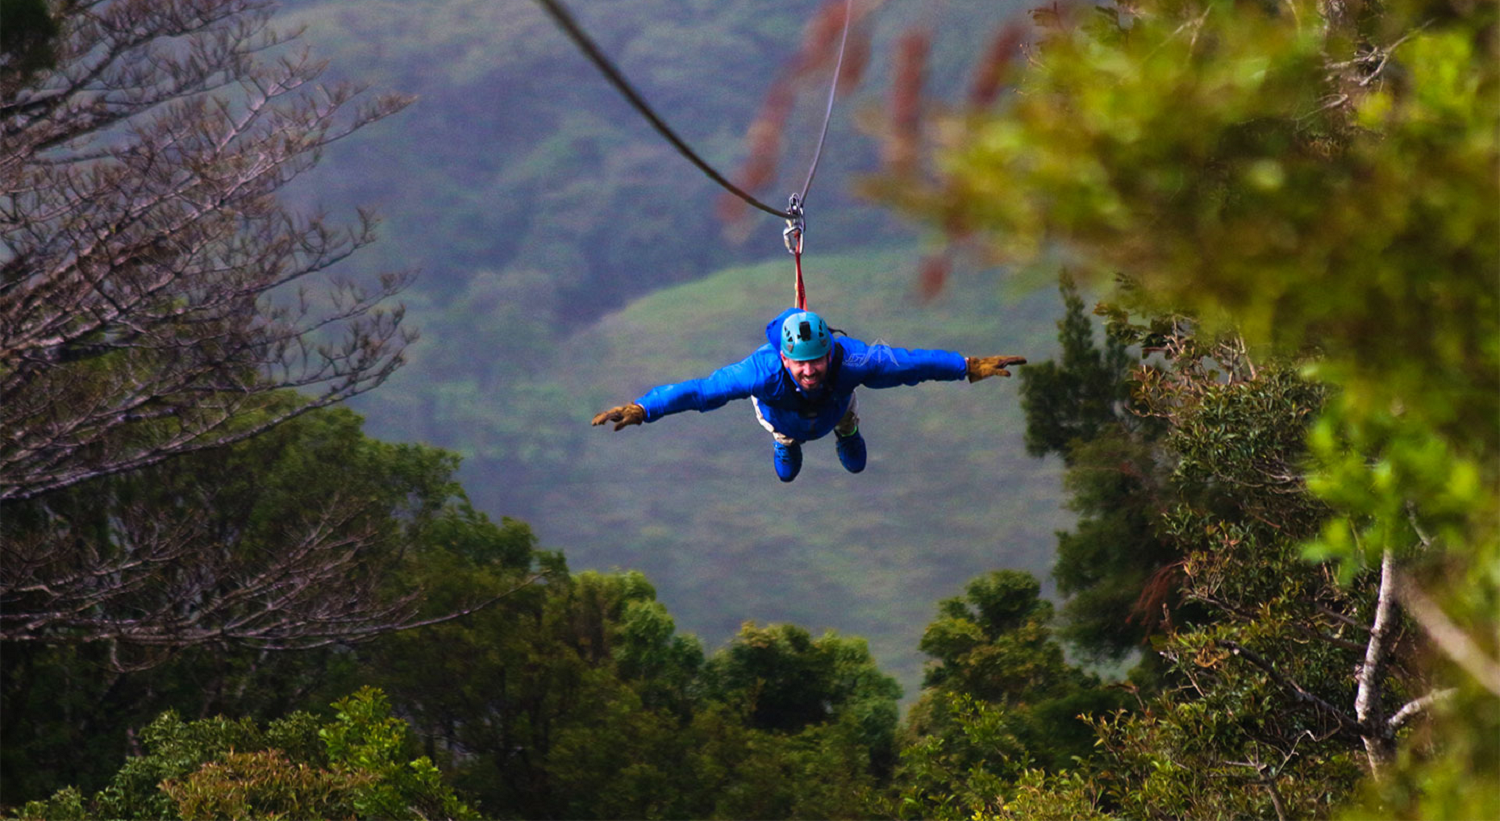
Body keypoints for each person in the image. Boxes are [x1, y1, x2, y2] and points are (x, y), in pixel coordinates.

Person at [591, 306, 1026, 482]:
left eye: (817, 360)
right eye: (799, 362)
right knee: (787, 456)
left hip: (836, 409)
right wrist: (644, 408)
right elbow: (701, 391)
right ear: (783, 357)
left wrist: (966, 367)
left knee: (850, 445)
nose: (809, 370)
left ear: (829, 350)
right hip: (783, 418)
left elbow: (911, 365)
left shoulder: (852, 361)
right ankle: (787, 444)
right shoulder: (759, 372)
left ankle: (847, 431)